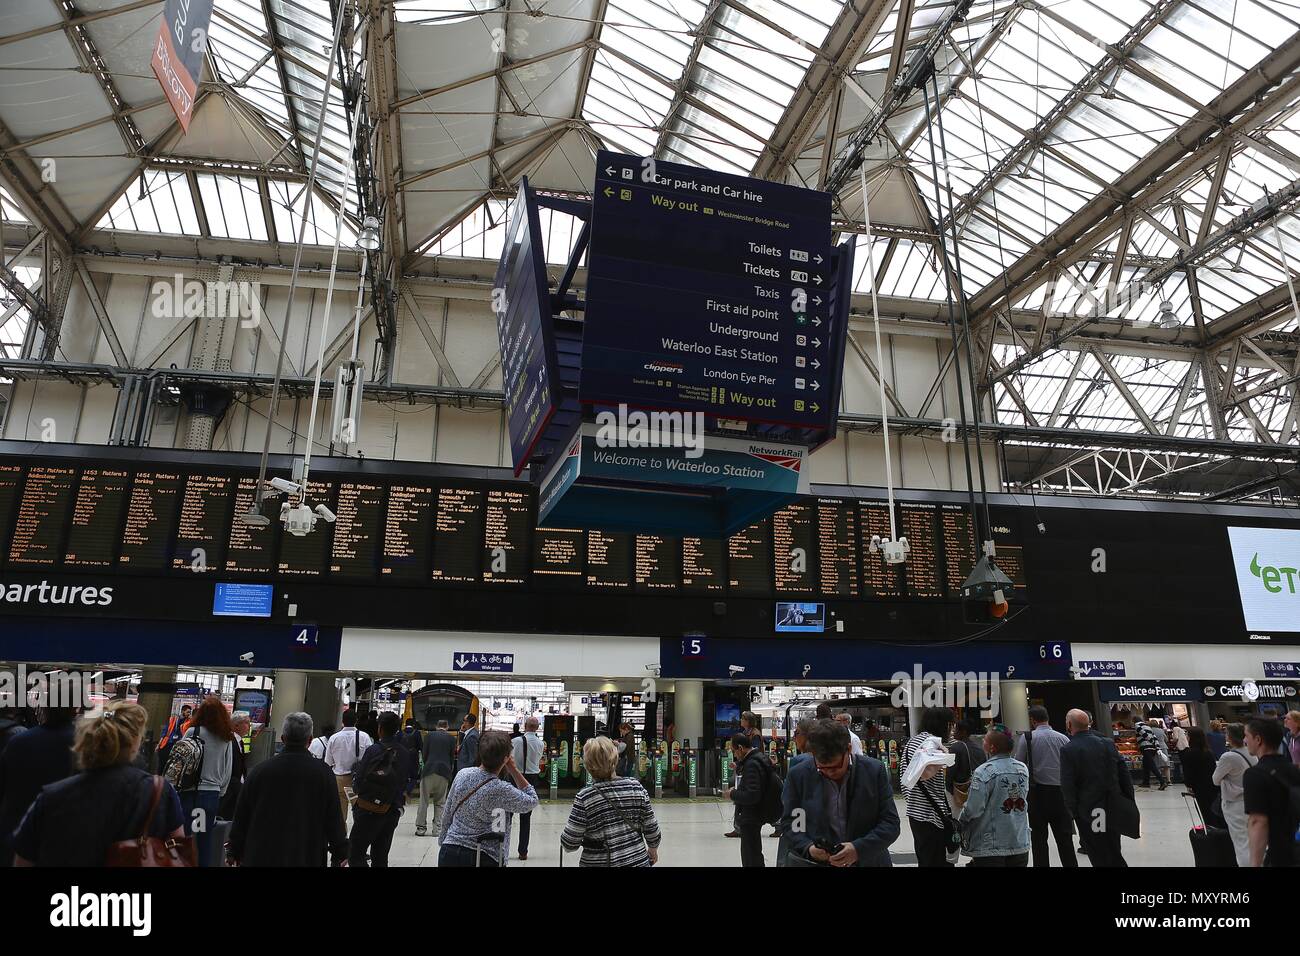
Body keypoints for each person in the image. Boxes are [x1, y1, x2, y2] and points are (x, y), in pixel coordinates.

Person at [11, 702, 186, 867]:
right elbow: (179, 851)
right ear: (134, 743)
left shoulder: (52, 797)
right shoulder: (160, 791)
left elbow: (23, 860)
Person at [227, 712, 347, 867]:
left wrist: (234, 850)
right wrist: (341, 850)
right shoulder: (323, 774)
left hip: (262, 855)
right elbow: (333, 819)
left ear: (283, 739)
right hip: (306, 855)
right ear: (309, 741)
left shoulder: (259, 772)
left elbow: (242, 816)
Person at [781, 718, 899, 867]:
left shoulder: (874, 772)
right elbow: (793, 823)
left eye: (835, 767)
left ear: (849, 749)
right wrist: (808, 847)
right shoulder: (799, 776)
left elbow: (890, 823)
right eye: (822, 768)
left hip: (869, 861)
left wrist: (858, 849)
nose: (830, 773)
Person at [439, 730, 538, 867]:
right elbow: (532, 800)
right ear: (506, 758)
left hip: (450, 850)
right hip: (482, 855)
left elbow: (447, 812)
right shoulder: (501, 789)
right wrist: (514, 769)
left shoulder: (462, 774)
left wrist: (443, 840)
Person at [560, 736, 661, 867]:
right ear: (615, 758)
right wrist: (653, 850)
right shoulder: (635, 787)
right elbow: (652, 829)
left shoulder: (585, 797)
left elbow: (570, 843)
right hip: (637, 861)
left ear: (587, 764)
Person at [0, 704, 77, 867]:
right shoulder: (83, 745)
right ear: (76, 709)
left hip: (15, 830)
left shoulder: (18, 741)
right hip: (62, 836)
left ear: (45, 708)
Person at [1060, 708, 1132, 867]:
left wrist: (1074, 811)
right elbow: (1124, 774)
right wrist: (1127, 799)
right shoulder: (1107, 743)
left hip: (1090, 810)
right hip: (1112, 805)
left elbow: (1068, 784)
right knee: (1114, 848)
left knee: (1098, 852)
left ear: (1069, 724)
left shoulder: (1069, 749)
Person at [172, 694, 234, 868]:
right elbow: (227, 768)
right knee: (204, 840)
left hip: (191, 792)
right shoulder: (226, 738)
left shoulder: (193, 732)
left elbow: (179, 760)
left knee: (186, 838)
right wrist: (220, 791)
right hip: (211, 795)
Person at [956, 724, 1030, 866]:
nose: (982, 742)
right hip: (1019, 841)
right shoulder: (1022, 769)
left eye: (985, 740)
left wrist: (961, 822)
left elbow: (974, 809)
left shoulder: (983, 772)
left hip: (990, 845)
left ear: (992, 748)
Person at [1013, 706, 1077, 867]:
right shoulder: (1063, 738)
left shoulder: (1028, 738)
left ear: (1032, 720)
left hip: (1038, 794)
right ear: (1047, 717)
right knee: (1065, 839)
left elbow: (1019, 764)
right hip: (1061, 794)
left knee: (1039, 839)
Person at [348, 712, 411, 868]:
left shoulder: (373, 750)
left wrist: (358, 793)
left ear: (380, 728)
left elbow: (360, 778)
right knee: (381, 855)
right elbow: (407, 779)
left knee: (356, 853)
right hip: (392, 809)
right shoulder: (404, 752)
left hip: (368, 809)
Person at [900, 707, 957, 867]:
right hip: (930, 815)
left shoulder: (914, 741)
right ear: (942, 724)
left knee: (926, 859)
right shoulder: (930, 743)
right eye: (950, 724)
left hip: (915, 812)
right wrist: (942, 759)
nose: (952, 729)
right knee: (936, 861)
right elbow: (924, 774)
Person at [1244, 717, 1300, 867]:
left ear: (1258, 739)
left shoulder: (1254, 774)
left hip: (1280, 854)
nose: (1244, 740)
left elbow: (1258, 821)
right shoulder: (1293, 770)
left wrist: (1255, 863)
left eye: (1247, 736)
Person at [1212, 722, 1257, 867]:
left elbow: (1215, 780)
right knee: (1255, 840)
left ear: (1230, 737)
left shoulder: (1228, 756)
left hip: (1235, 804)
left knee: (1241, 842)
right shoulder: (1252, 753)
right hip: (1253, 800)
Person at [728, 733, 772, 867]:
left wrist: (732, 794)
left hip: (751, 816)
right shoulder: (757, 758)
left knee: (750, 855)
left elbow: (752, 795)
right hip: (755, 815)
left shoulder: (752, 764)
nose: (735, 755)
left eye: (734, 751)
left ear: (740, 748)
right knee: (753, 853)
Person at [776, 718, 815, 867]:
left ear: (807, 736)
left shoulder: (800, 761)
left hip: (798, 822)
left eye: (796, 733)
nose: (794, 737)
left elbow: (787, 797)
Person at [324, 709, 372, 828]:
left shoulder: (334, 738)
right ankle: (359, 833)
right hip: (357, 779)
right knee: (358, 808)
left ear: (343, 721)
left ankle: (342, 837)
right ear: (356, 721)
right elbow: (370, 759)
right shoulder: (364, 737)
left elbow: (328, 762)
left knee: (340, 811)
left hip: (340, 779)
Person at [725, 711, 762, 838]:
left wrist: (742, 764)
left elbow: (754, 752)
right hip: (745, 768)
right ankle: (738, 827)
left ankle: (777, 824)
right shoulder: (745, 733)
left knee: (751, 798)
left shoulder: (755, 734)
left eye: (743, 718)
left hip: (751, 769)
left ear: (748, 721)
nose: (740, 720)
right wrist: (739, 764)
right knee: (740, 799)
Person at [512, 716, 545, 860]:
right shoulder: (540, 744)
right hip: (531, 781)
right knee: (526, 818)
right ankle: (523, 852)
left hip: (516, 778)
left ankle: (502, 847)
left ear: (524, 726)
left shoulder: (515, 742)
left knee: (507, 814)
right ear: (537, 728)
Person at [416, 719, 455, 838]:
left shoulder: (428, 736)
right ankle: (437, 830)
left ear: (436, 726)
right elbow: (451, 757)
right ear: (447, 727)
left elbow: (424, 753)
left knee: (424, 801)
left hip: (428, 770)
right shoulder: (451, 739)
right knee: (440, 802)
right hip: (444, 772)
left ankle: (421, 829)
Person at [1180, 726, 1221, 827]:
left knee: (1204, 811)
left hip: (1198, 787)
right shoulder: (1209, 752)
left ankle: (1209, 830)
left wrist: (1188, 785)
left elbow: (1188, 771)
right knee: (1213, 810)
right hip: (1211, 786)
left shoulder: (1189, 753)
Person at [218, 711, 252, 821]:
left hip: (236, 790)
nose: (249, 726)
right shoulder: (230, 742)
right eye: (246, 723)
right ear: (236, 725)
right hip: (230, 792)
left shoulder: (239, 742)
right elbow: (229, 768)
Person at [948, 719, 986, 811]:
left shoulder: (956, 748)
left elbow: (950, 775)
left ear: (963, 732)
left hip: (961, 793)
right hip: (978, 791)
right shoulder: (979, 748)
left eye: (956, 730)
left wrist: (948, 792)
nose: (953, 733)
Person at [155, 704, 191, 771]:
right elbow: (164, 732)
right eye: (187, 712)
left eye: (190, 712)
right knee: (161, 765)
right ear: (182, 711)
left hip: (177, 745)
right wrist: (159, 744)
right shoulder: (173, 719)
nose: (189, 714)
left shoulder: (188, 722)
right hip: (167, 743)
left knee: (172, 766)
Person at [1136, 718, 1169, 789]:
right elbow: (1155, 738)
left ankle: (1162, 782)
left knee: (1152, 765)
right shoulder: (1148, 727)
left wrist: (1150, 740)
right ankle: (1146, 782)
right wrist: (1157, 747)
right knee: (1146, 765)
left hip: (1145, 747)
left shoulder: (1137, 725)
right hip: (1152, 748)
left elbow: (1143, 733)